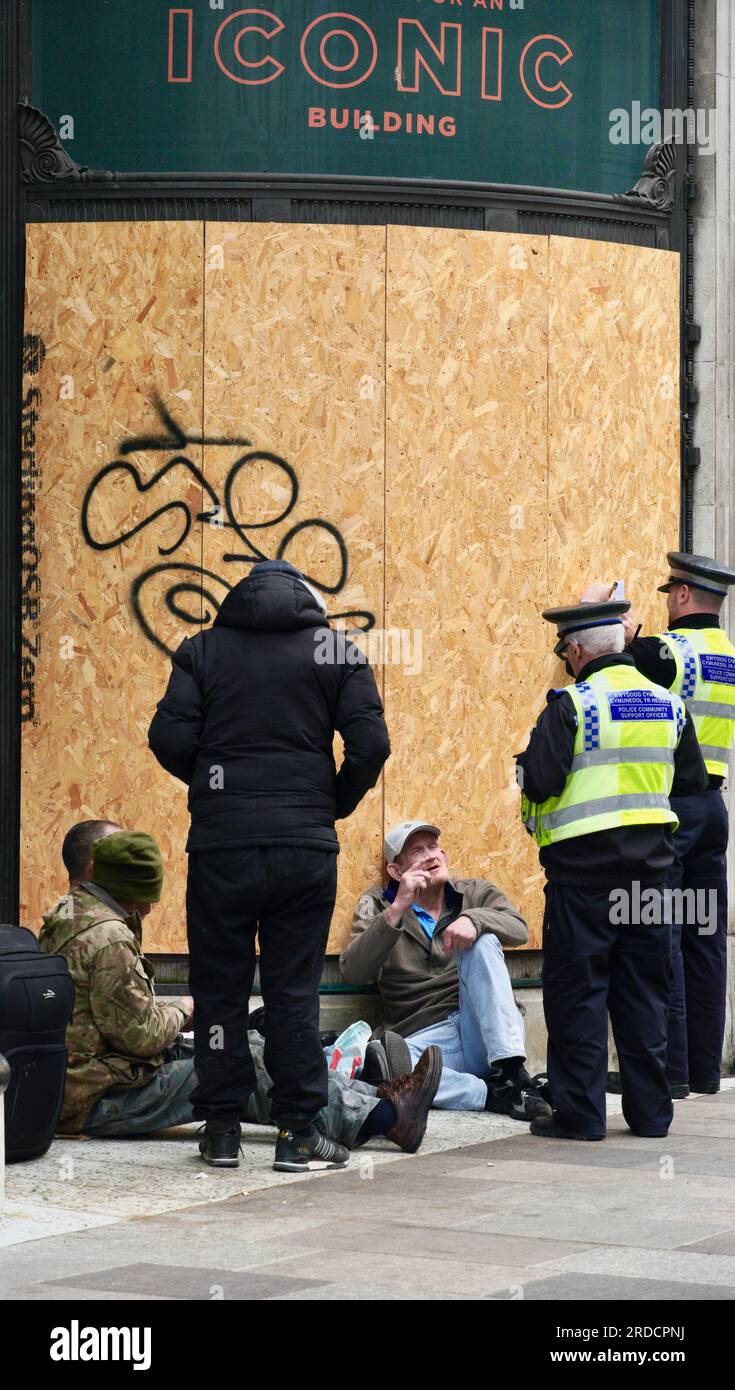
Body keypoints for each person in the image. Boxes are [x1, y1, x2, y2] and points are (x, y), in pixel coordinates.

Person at [148, 559, 391, 1171]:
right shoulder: (336, 651)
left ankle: (223, 1130)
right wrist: (330, 801)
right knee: (293, 993)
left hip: (222, 848)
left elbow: (168, 738)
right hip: (303, 850)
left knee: (219, 990)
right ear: (306, 601)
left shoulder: (202, 651)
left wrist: (214, 789)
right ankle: (296, 1133)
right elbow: (372, 745)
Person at [40, 823, 442, 1166]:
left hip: (102, 1074)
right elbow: (140, 1035)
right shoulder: (107, 936)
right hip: (101, 1096)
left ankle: (372, 1092)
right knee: (233, 1067)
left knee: (242, 1044)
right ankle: (387, 1115)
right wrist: (183, 1009)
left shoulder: (71, 913)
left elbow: (111, 1017)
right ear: (99, 866)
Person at [517, 599, 708, 1141]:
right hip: (652, 883)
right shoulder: (670, 706)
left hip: (582, 883)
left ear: (575, 649)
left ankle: (580, 1117)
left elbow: (539, 782)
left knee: (579, 997)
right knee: (645, 997)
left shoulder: (572, 707)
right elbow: (691, 783)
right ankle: (651, 1117)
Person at [586, 555, 735, 1096]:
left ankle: (668, 1074)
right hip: (713, 808)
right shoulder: (729, 655)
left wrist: (617, 629)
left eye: (671, 591)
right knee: (706, 938)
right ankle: (702, 1071)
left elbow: (612, 666)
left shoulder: (669, 652)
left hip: (672, 811)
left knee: (665, 934)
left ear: (682, 595)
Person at [341, 820, 551, 1122]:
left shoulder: (474, 892)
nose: (430, 856)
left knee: (484, 940)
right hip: (425, 1038)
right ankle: (490, 1094)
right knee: (381, 1063)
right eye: (416, 851)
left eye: (434, 847)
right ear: (396, 872)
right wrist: (398, 908)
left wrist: (475, 920)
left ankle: (511, 1072)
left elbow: (519, 929)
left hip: (480, 1029)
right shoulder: (376, 904)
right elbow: (354, 972)